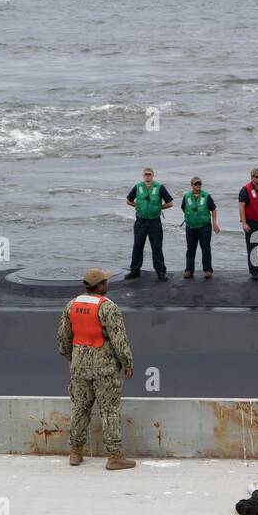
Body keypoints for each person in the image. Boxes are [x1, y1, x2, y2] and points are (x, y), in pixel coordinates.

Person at [57, 268, 136, 470]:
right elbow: (119, 340)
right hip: (105, 368)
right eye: (105, 282)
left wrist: (72, 359)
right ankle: (115, 456)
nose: (107, 284)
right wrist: (127, 363)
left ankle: (75, 452)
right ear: (100, 286)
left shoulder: (71, 305)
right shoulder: (108, 308)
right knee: (109, 410)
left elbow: (63, 339)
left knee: (80, 407)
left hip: (79, 366)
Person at [125, 167, 173, 280]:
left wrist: (159, 208)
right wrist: (137, 206)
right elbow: (128, 201)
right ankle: (135, 271)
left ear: (153, 176)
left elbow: (170, 203)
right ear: (143, 176)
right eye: (146, 174)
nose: (147, 176)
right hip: (140, 221)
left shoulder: (159, 187)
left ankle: (161, 272)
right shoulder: (138, 187)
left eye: (149, 174)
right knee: (137, 246)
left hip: (154, 221)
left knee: (157, 247)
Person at [180, 176, 220, 279]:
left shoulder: (206, 196)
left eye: (200, 184)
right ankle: (189, 270)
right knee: (190, 249)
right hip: (191, 227)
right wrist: (189, 216)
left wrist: (215, 223)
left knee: (206, 248)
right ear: (192, 185)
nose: (198, 185)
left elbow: (214, 209)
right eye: (196, 184)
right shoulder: (187, 196)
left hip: (204, 227)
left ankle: (207, 270)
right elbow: (183, 208)